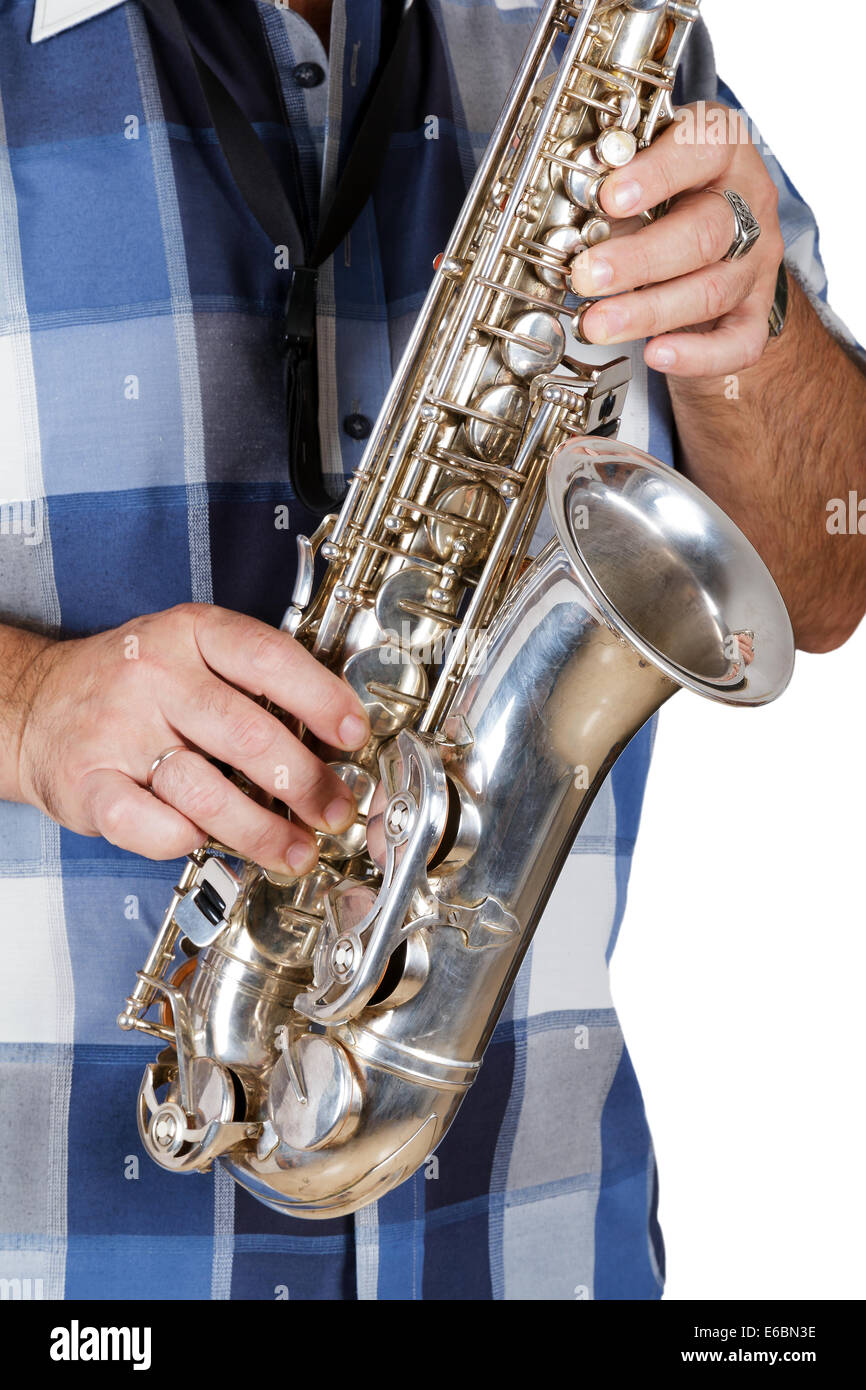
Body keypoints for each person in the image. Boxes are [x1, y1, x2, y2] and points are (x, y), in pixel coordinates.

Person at [0, 0, 862, 1302]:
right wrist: (23, 706)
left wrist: (754, 329)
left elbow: (820, 576)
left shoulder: (602, 50)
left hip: (537, 1248)